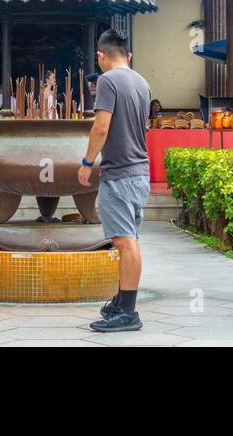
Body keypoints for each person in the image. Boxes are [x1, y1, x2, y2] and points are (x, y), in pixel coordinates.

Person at [78, 29, 152, 333]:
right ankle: (121, 303)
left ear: (100, 55)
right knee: (128, 239)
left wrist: (86, 163)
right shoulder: (142, 82)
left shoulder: (107, 81)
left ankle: (129, 313)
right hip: (140, 172)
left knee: (124, 242)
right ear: (129, 55)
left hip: (119, 173)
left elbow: (101, 127)